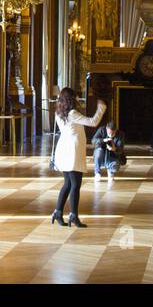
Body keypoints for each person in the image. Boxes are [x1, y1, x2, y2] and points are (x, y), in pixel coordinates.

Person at [51, 87, 107, 227]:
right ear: (71, 99)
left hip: (64, 148)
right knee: (75, 184)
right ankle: (73, 216)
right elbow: (93, 122)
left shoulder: (59, 113)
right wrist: (101, 107)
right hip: (73, 150)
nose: (77, 99)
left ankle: (58, 212)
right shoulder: (73, 113)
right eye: (75, 97)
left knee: (68, 183)